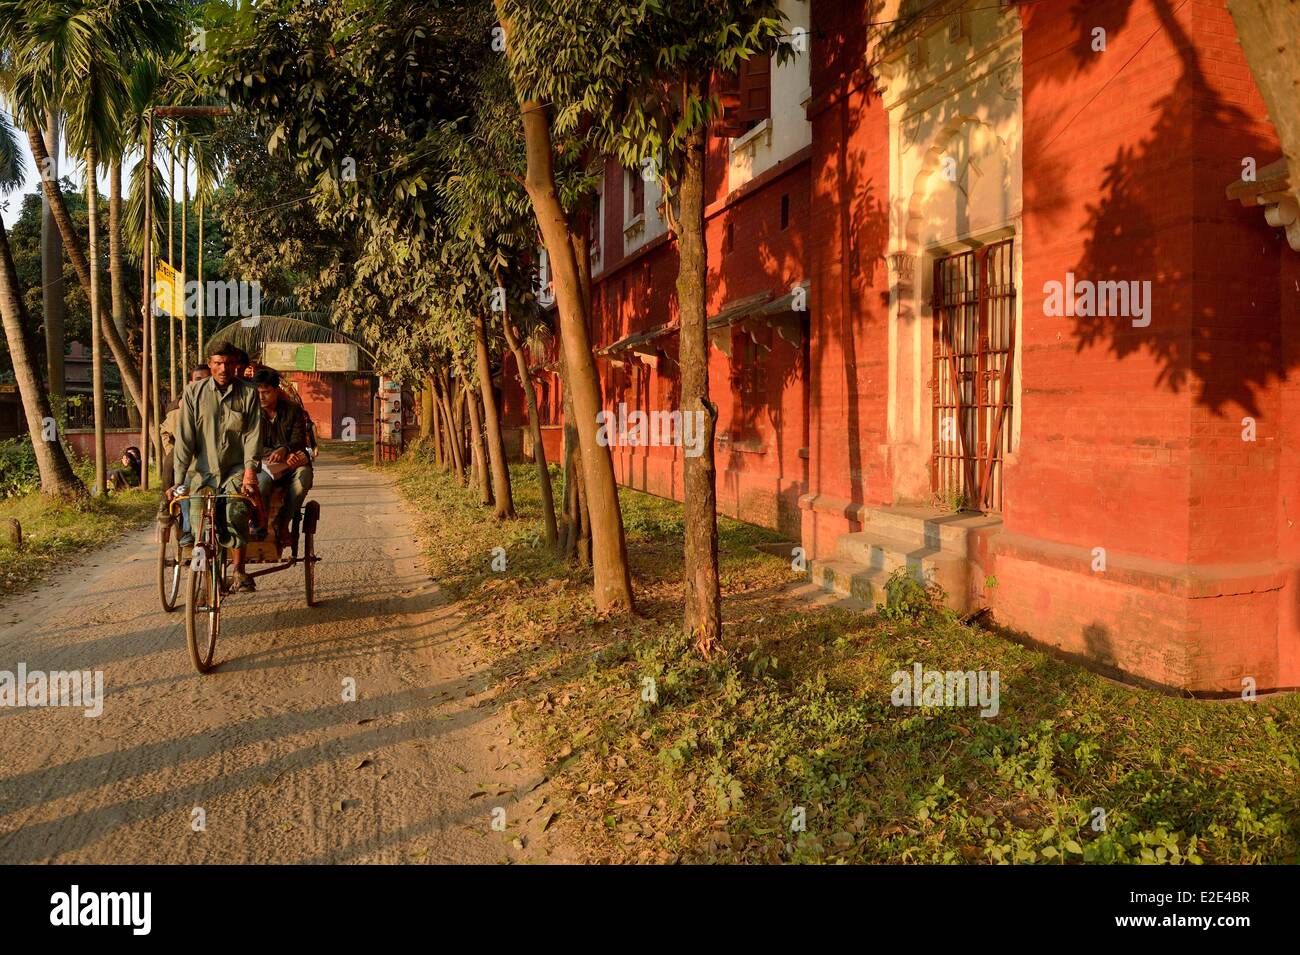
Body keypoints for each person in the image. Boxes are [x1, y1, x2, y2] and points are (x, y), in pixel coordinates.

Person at [172, 342, 263, 593]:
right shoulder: (193, 393)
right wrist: (179, 481)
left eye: (228, 363)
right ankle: (206, 580)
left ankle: (238, 571)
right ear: (210, 364)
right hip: (202, 472)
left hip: (235, 469)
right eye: (218, 363)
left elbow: (253, 436)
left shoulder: (248, 393)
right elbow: (185, 439)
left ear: (236, 365)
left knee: (236, 510)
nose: (223, 369)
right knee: (200, 523)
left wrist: (249, 473)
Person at [251, 367, 313, 547]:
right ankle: (260, 524)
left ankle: (284, 522)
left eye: (266, 392)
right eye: (259, 393)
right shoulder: (252, 414)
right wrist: (274, 453)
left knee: (303, 479)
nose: (262, 397)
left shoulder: (293, 411)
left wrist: (285, 450)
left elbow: (299, 439)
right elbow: (252, 444)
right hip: (263, 465)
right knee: (261, 484)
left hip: (292, 463)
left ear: (276, 391)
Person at [159, 365, 211, 525]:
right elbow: (165, 431)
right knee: (171, 463)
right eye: (198, 380)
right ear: (190, 383)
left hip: (214, 450)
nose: (202, 384)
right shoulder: (179, 405)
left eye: (206, 380)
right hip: (186, 449)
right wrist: (172, 449)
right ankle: (167, 503)